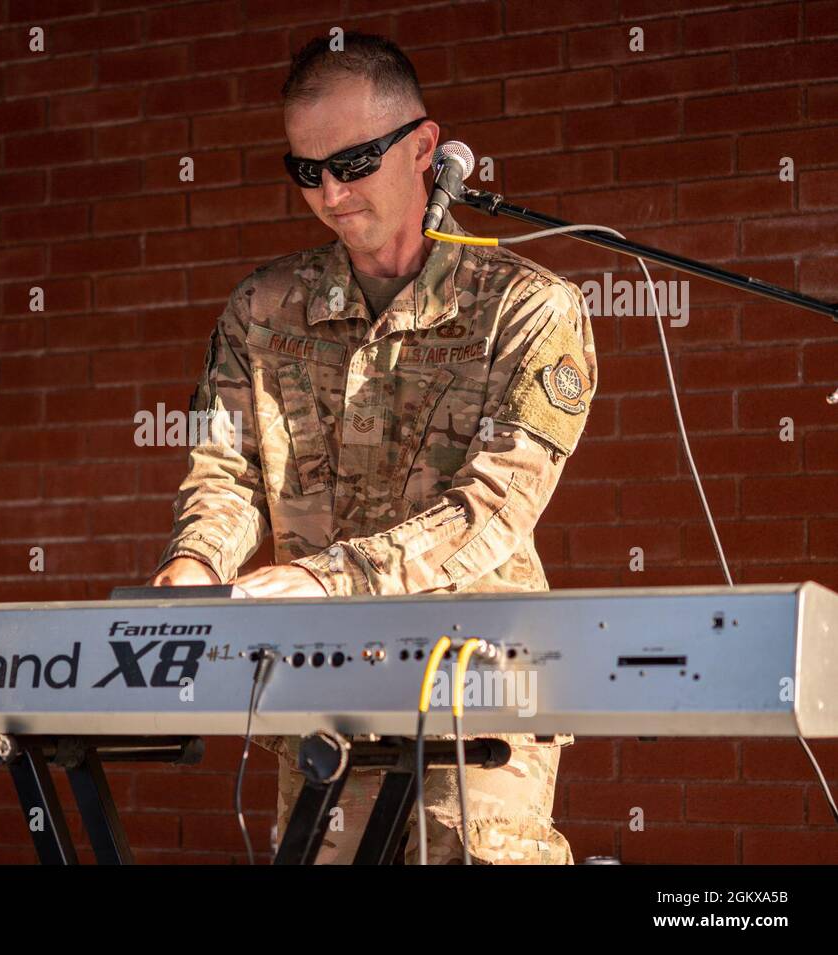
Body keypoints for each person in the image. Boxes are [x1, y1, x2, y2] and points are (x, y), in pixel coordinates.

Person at [149, 32, 597, 864]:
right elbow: (225, 470)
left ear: (424, 146)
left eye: (353, 162)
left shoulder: (529, 309)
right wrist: (195, 569)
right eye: (305, 170)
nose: (328, 192)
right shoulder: (263, 308)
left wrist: (328, 577)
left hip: (478, 698)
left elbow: (493, 507)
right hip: (320, 694)